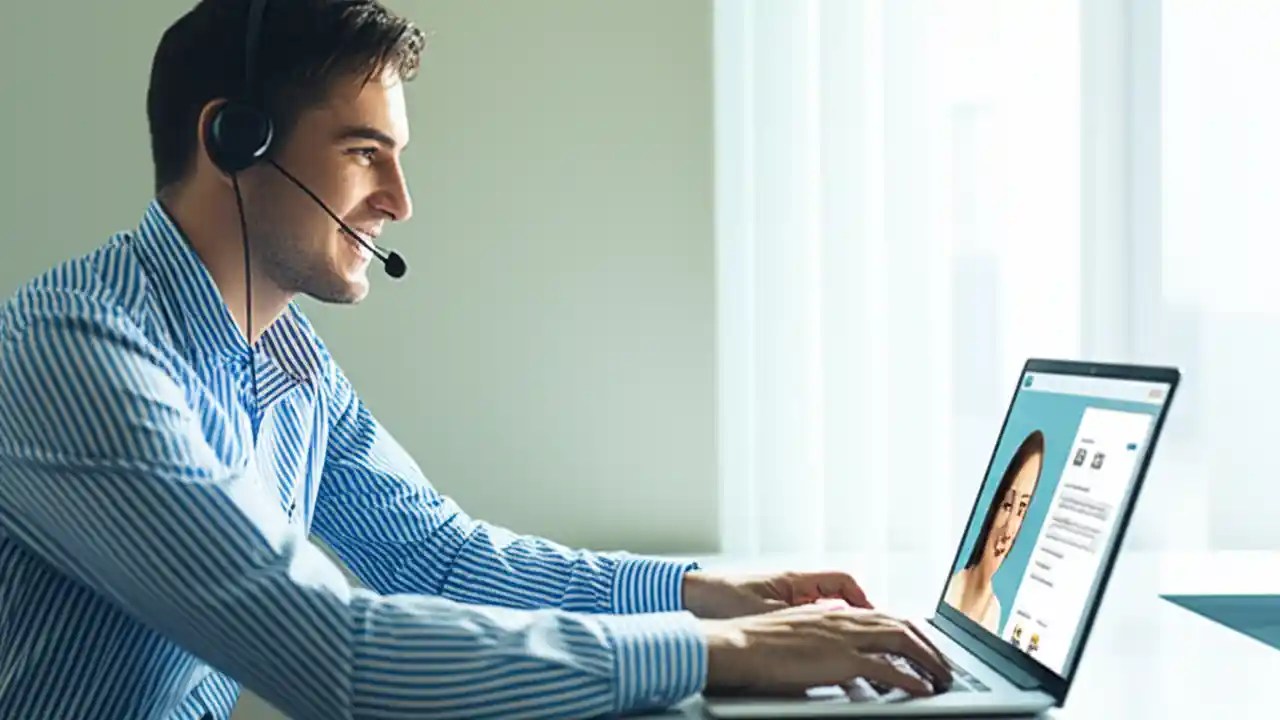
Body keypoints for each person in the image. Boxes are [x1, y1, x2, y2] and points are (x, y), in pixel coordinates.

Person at [0, 1, 950, 718]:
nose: (400, 200)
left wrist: (704, 594)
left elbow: (439, 558)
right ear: (235, 140)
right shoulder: (77, 354)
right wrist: (728, 651)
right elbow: (334, 655)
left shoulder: (287, 362)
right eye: (365, 152)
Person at [944, 430, 1046, 633]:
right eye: (1007, 505)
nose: (1009, 529)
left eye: (1021, 509)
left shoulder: (994, 612)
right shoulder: (951, 590)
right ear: (993, 508)